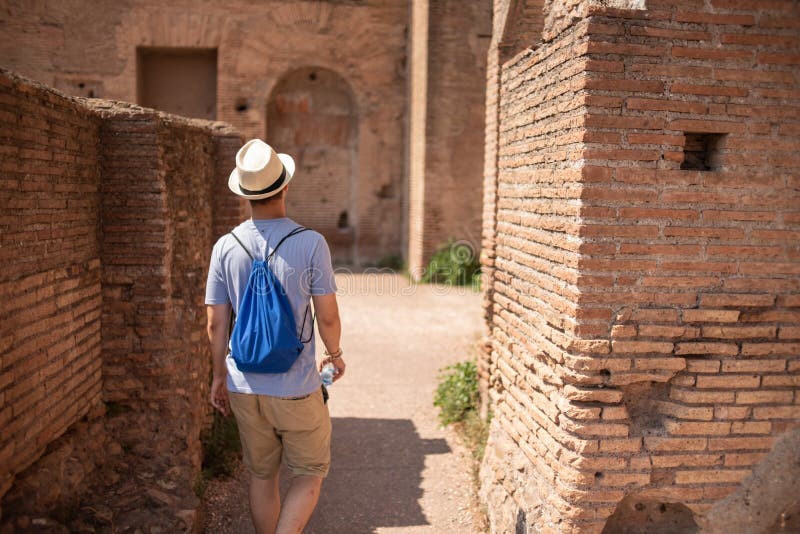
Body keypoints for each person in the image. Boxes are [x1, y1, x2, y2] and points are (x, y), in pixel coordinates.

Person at [205, 138, 345, 534]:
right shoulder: (311, 243)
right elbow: (328, 316)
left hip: (243, 384)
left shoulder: (224, 247)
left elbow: (216, 324)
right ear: (285, 186)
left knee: (262, 476)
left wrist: (218, 377)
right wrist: (334, 355)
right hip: (297, 384)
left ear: (244, 193)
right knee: (309, 473)